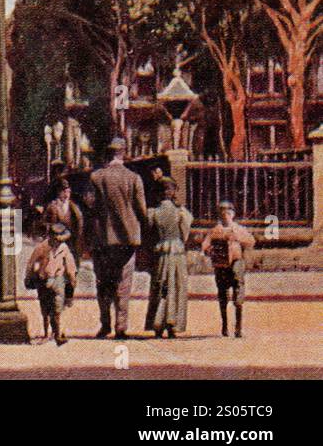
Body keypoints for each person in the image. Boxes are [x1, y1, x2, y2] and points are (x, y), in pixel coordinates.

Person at [88, 138, 148, 340]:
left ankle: (105, 325)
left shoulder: (96, 177)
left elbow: (90, 206)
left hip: (102, 239)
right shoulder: (134, 178)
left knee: (103, 282)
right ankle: (121, 326)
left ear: (108, 154)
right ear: (123, 153)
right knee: (124, 283)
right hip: (128, 239)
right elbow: (142, 210)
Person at [145, 178, 192, 339]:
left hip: (161, 252)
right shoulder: (181, 212)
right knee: (175, 286)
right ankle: (172, 323)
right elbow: (185, 234)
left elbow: (148, 234)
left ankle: (158, 324)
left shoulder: (152, 212)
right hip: (176, 252)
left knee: (161, 286)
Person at [202, 201, 256, 338]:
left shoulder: (238, 228)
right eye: (223, 212)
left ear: (233, 214)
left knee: (238, 295)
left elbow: (251, 241)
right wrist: (210, 250)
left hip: (236, 263)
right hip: (221, 266)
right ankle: (225, 325)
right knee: (222, 295)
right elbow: (205, 245)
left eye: (228, 212)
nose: (226, 215)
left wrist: (238, 238)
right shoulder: (215, 230)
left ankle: (238, 327)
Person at [25, 222, 77, 346]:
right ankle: (48, 333)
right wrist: (29, 278)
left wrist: (72, 279)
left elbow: (70, 266)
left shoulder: (63, 248)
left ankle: (56, 333)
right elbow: (32, 264)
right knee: (46, 307)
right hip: (45, 279)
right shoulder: (43, 247)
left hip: (57, 279)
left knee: (56, 307)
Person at [43, 178, 84, 264]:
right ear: (59, 192)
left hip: (71, 243)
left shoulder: (74, 207)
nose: (66, 195)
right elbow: (45, 223)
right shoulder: (52, 206)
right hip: (56, 241)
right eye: (64, 192)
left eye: (68, 192)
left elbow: (79, 224)